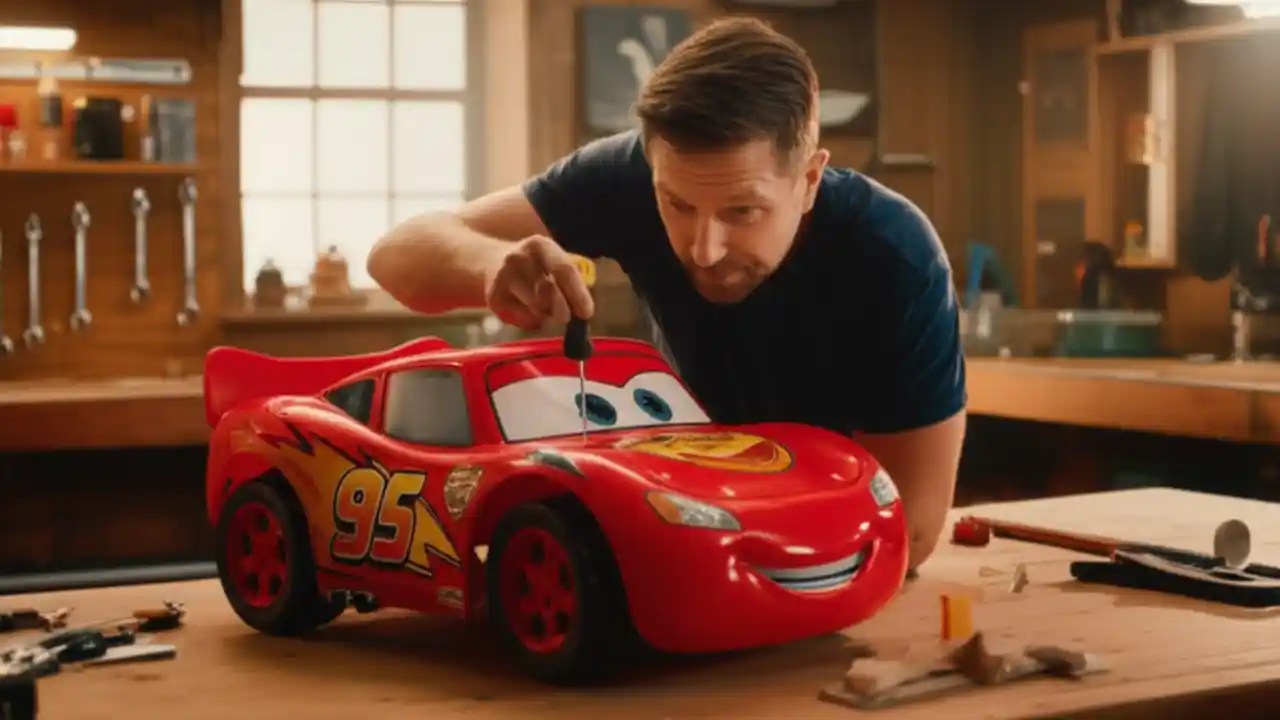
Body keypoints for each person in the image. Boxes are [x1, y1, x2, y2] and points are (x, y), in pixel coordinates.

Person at [367, 16, 966, 571]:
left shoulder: (895, 255)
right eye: (676, 205)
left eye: (743, 210)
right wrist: (490, 261)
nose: (704, 248)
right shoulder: (625, 175)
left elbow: (907, 532)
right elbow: (394, 256)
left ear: (808, 180)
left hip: (821, 546)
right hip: (688, 513)